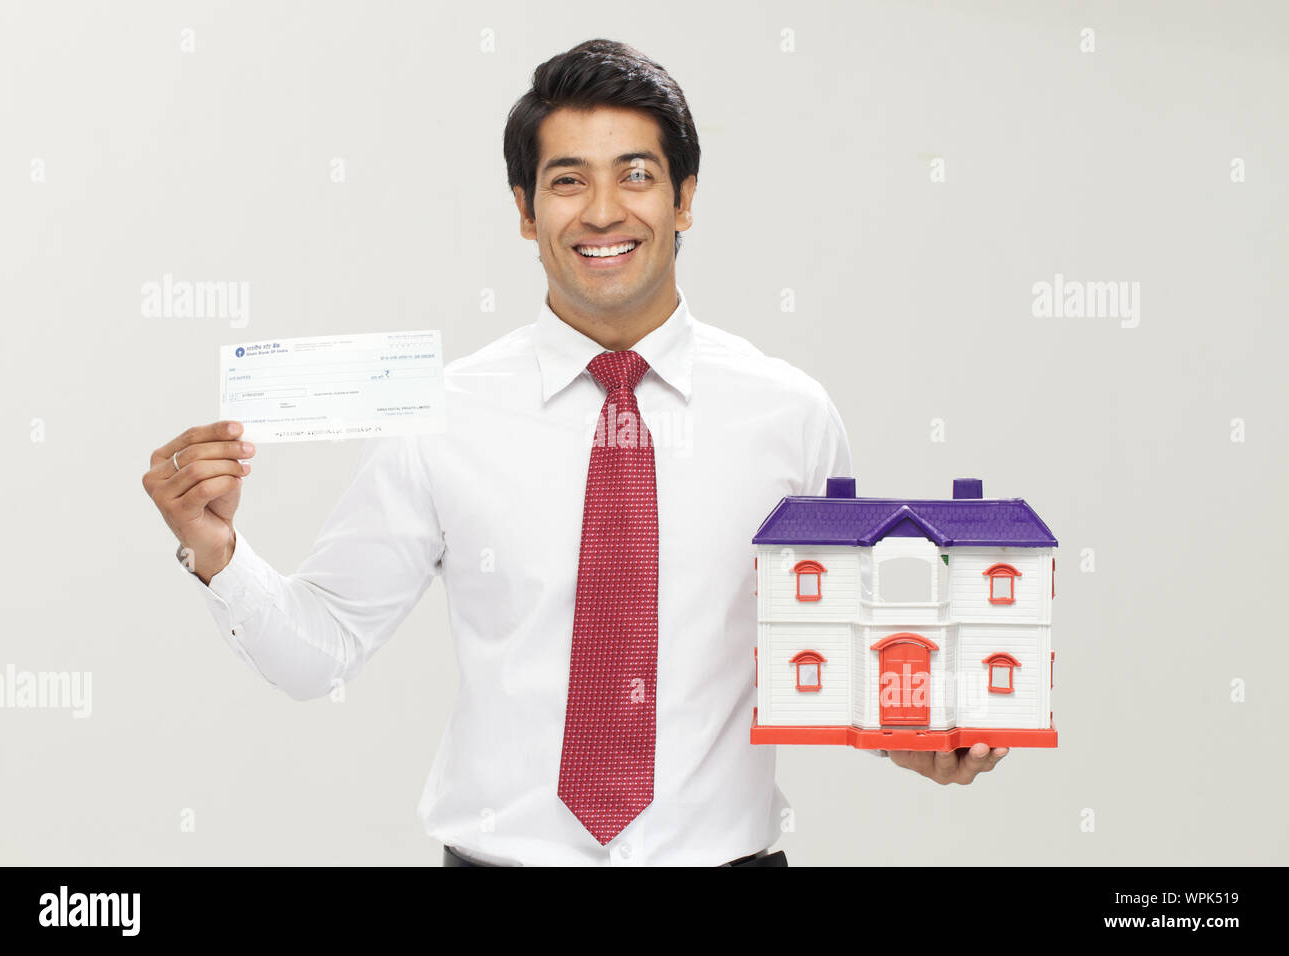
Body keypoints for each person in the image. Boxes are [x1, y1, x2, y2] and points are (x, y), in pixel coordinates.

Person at [141, 38, 1006, 868]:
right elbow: (316, 653)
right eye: (567, 182)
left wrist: (917, 737)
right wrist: (214, 548)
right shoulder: (441, 418)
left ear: (686, 198)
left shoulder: (791, 415)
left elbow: (837, 656)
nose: (602, 212)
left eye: (636, 175)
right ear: (524, 211)